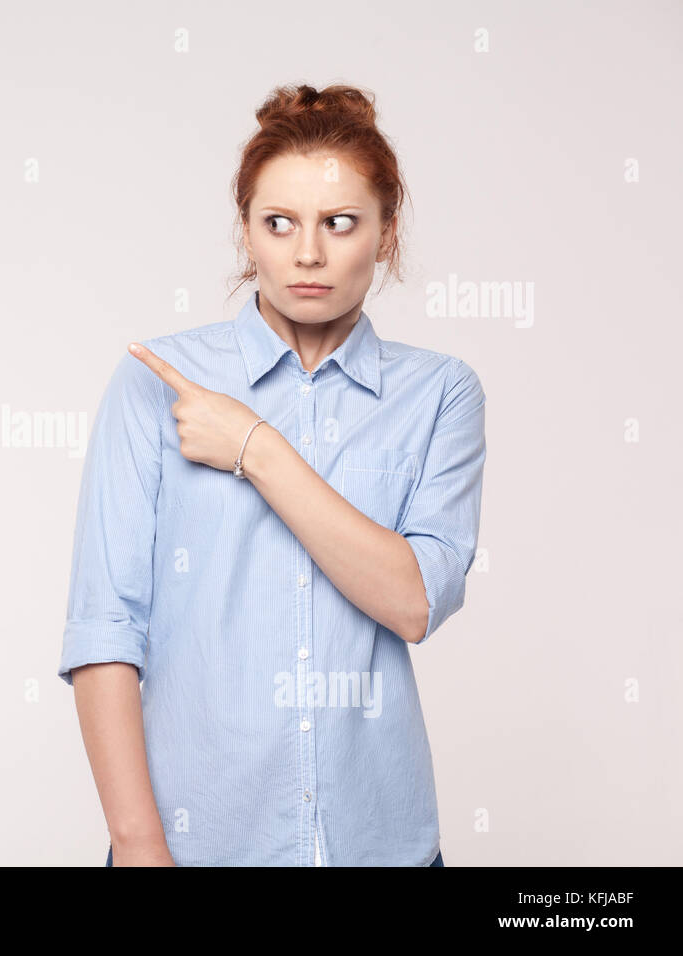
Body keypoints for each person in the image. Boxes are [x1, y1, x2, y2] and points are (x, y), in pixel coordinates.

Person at [58, 83, 485, 867]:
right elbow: (105, 629)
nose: (309, 253)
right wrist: (140, 845)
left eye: (340, 223)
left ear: (386, 234)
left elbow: (414, 600)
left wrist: (254, 444)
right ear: (246, 231)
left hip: (380, 845)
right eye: (279, 223)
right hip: (197, 846)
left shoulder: (440, 393)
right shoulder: (159, 380)